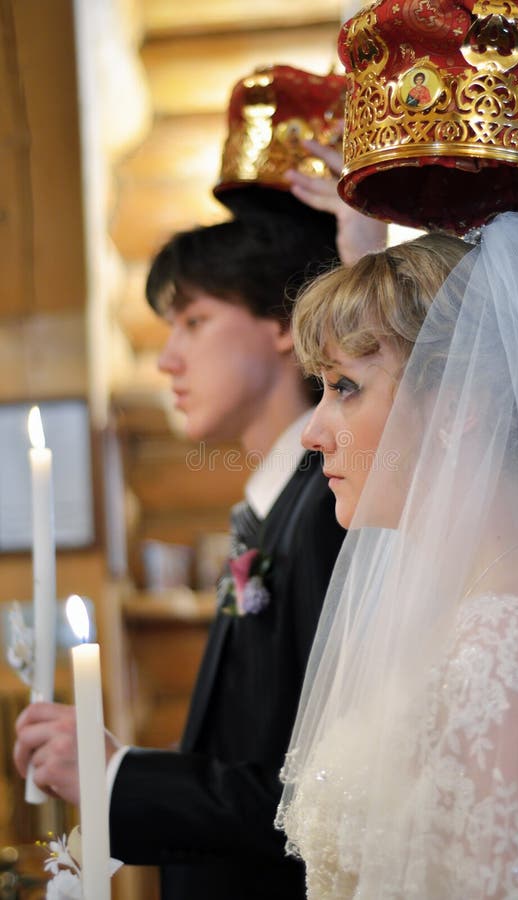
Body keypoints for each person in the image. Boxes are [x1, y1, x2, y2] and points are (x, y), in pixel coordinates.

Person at [13, 210, 348, 900]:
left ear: (284, 323)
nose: (167, 358)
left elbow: (326, 792)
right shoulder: (272, 509)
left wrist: (119, 776)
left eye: (193, 322)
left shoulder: (326, 509)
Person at [275, 212, 518, 897]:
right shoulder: (455, 605)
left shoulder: (516, 650)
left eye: (345, 388)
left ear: (459, 405)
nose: (312, 432)